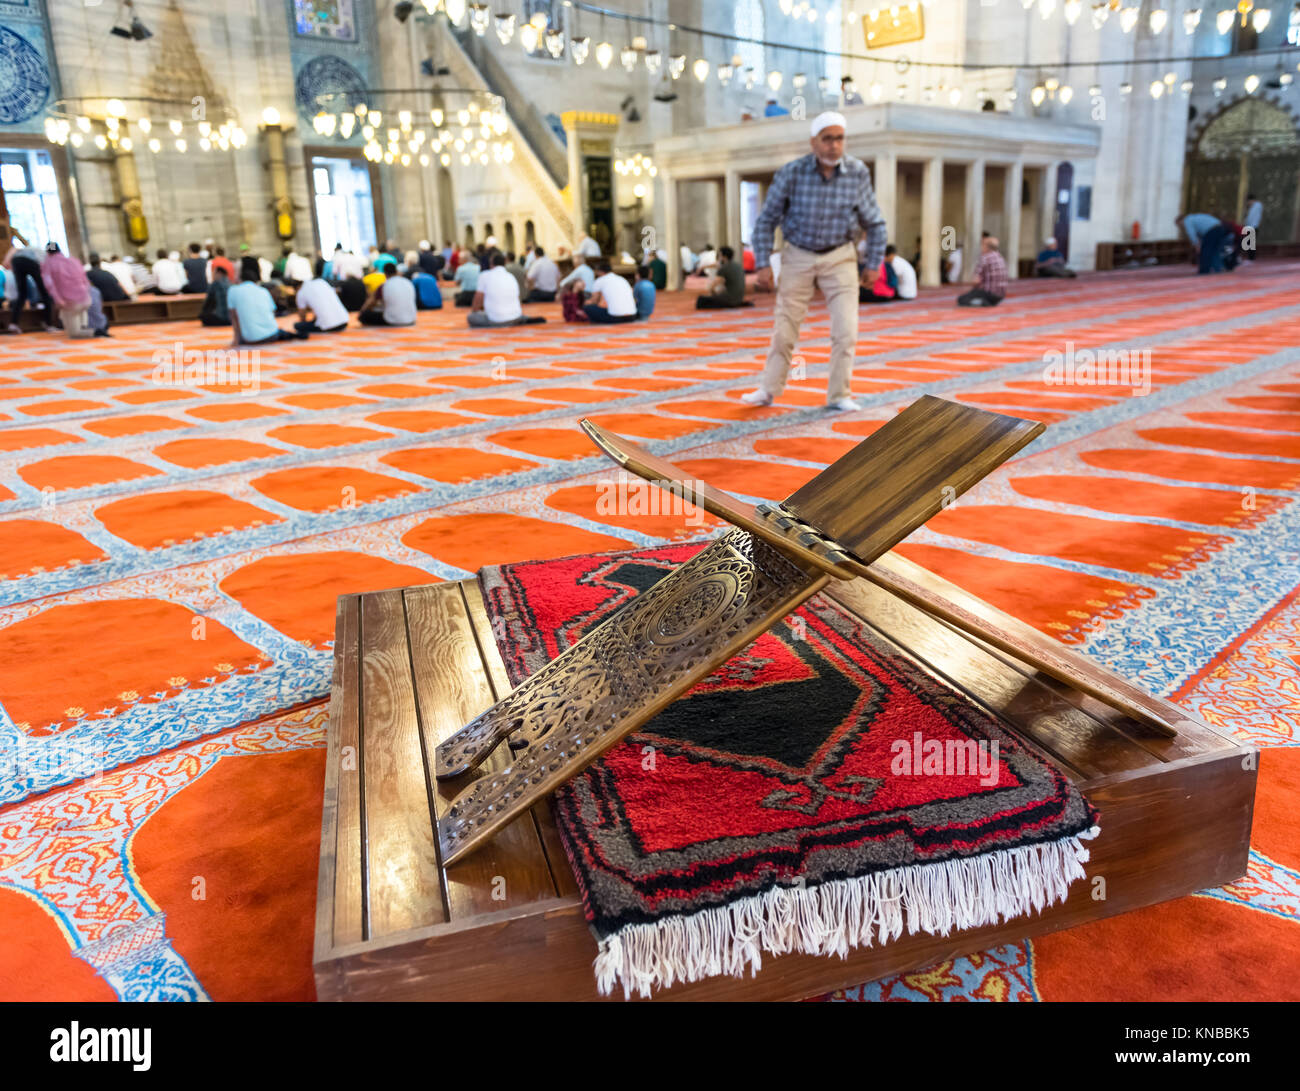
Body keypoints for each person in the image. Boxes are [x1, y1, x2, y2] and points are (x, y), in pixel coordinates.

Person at [743, 111, 886, 412]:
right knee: (785, 328)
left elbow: (874, 222)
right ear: (814, 142)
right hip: (798, 254)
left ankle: (839, 394)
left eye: (840, 138)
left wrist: (873, 263)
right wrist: (763, 263)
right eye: (828, 139)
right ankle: (768, 389)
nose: (834, 145)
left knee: (847, 329)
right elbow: (766, 220)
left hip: (840, 256)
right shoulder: (791, 173)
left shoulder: (858, 172)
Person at [228, 257, 308, 343]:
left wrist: (236, 340)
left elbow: (234, 317)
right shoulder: (263, 290)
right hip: (272, 334)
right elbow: (272, 312)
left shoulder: (233, 290)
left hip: (250, 339)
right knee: (286, 330)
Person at [468, 252, 547, 327]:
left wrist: (476, 311)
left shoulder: (484, 275)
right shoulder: (510, 276)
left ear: (491, 263)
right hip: (515, 316)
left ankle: (513, 320)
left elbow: (478, 300)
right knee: (514, 315)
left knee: (472, 317)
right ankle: (523, 319)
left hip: (497, 320)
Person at [2, 236, 57, 332]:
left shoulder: (32, 248)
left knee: (22, 294)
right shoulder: (45, 255)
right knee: (45, 293)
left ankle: (14, 323)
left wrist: (7, 260)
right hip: (30, 262)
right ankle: (49, 324)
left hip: (16, 261)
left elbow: (14, 249)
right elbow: (46, 274)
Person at [41, 243, 95, 338]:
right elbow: (85, 281)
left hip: (69, 301)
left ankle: (91, 332)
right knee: (80, 312)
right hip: (85, 298)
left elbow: (49, 284)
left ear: (47, 252)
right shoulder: (73, 260)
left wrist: (57, 299)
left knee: (74, 333)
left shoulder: (48, 263)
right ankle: (84, 327)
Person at [957, 236, 1008, 306]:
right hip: (1000, 296)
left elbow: (976, 281)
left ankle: (982, 302)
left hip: (989, 293)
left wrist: (973, 290)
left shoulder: (985, 258)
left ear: (986, 246)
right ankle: (987, 302)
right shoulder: (1000, 257)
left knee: (962, 299)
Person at [584, 259, 638, 324]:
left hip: (616, 317)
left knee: (588, 307)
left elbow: (594, 301)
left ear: (599, 272)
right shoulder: (621, 279)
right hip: (632, 316)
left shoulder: (600, 280)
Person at [1242, 193, 1263, 260]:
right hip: (1249, 227)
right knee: (1249, 243)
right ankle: (1250, 258)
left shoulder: (1257, 206)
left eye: (1247, 201)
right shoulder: (1252, 208)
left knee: (1251, 244)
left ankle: (1251, 258)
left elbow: (1251, 218)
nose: (1247, 203)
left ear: (1251, 200)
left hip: (1253, 227)